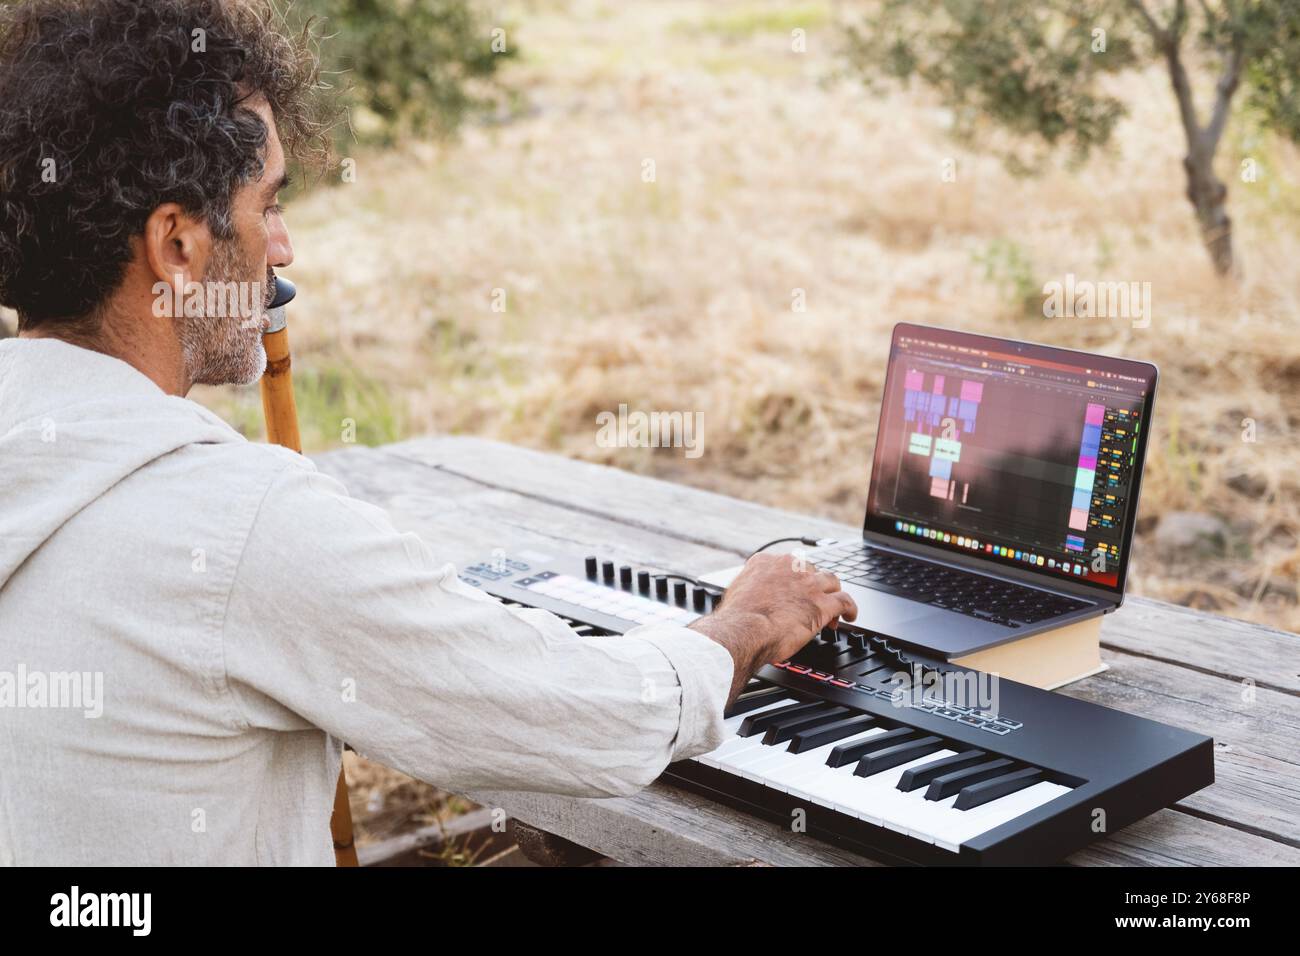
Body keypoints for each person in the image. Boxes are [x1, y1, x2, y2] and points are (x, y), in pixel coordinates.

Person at [0, 0, 856, 865]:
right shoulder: (236, 530)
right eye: (269, 205)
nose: (285, 250)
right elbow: (579, 717)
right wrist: (743, 626)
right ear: (177, 246)